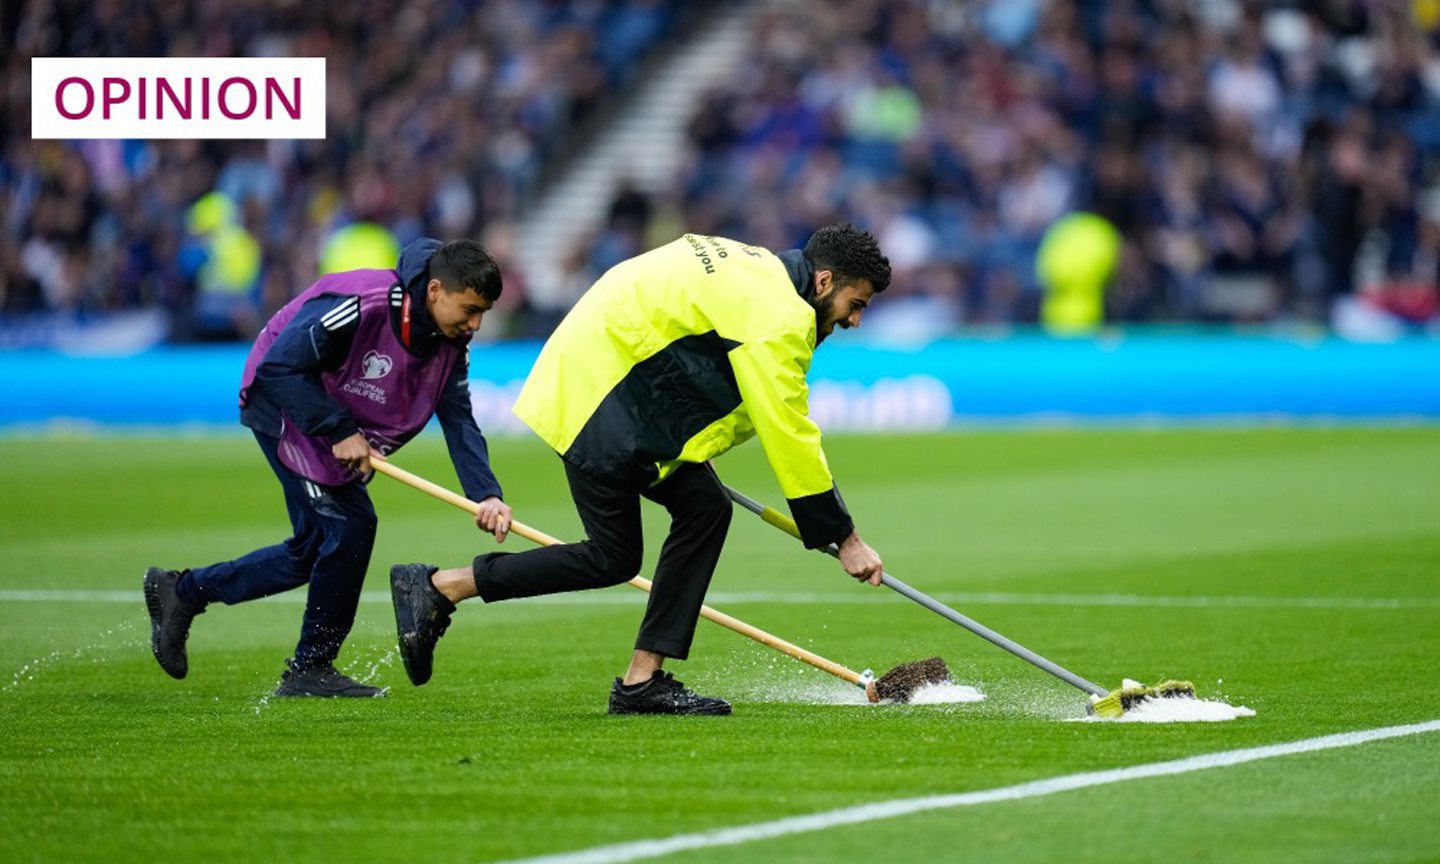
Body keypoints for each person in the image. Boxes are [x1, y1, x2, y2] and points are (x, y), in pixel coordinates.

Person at [390, 223, 891, 715]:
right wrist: (843, 537)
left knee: (705, 508)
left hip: (608, 379)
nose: (854, 320)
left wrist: (691, 443)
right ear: (824, 283)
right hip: (600, 399)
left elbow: (701, 355)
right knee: (614, 557)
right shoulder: (781, 315)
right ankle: (442, 587)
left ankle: (641, 679)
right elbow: (788, 428)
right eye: (856, 304)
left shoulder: (757, 267)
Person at [144, 238, 513, 697]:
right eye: (470, 309)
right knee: (350, 526)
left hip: (331, 418)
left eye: (483, 314)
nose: (475, 324)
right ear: (435, 290)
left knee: (314, 549)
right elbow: (280, 367)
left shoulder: (451, 343)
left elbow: (458, 419)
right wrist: (339, 429)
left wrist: (487, 494)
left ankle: (184, 592)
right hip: (285, 404)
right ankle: (310, 669)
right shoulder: (363, 304)